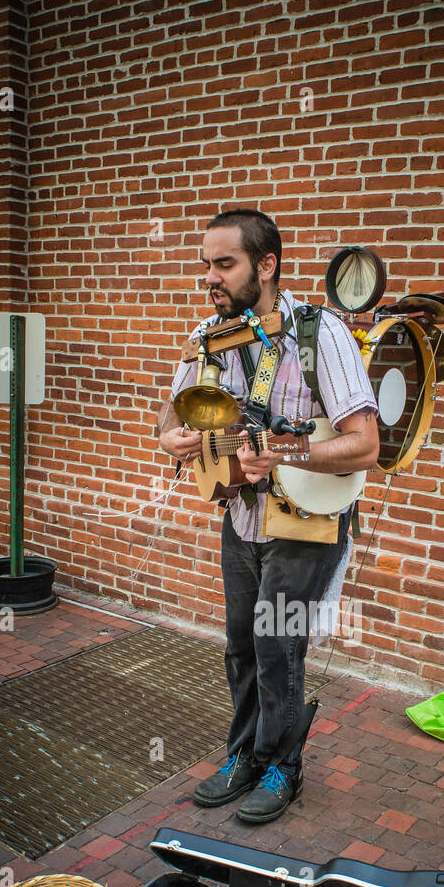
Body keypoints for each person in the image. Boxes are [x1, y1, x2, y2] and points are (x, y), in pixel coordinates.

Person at [158, 208, 379, 824]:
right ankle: (246, 756)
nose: (210, 277)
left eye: (224, 264)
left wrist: (283, 450)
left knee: (277, 643)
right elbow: (169, 419)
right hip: (242, 517)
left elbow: (365, 444)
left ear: (267, 266)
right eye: (205, 264)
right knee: (240, 645)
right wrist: (172, 437)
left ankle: (284, 766)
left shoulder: (320, 333)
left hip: (307, 519)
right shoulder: (208, 336)